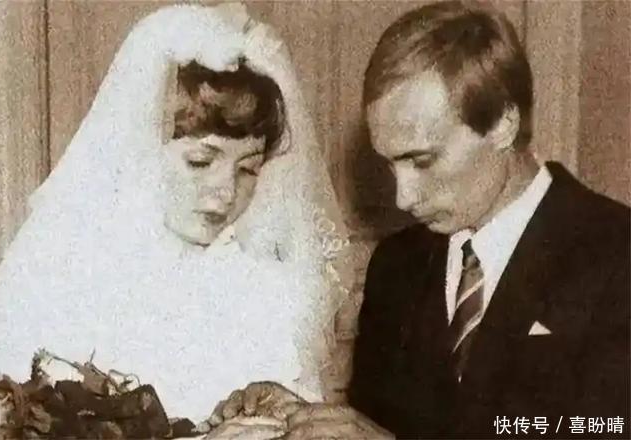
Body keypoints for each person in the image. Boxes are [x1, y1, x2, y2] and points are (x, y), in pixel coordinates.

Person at [211, 1, 629, 439]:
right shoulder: (397, 266)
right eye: (390, 164)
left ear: (503, 124)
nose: (403, 196)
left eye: (422, 161)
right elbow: (378, 426)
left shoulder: (616, 258)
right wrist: (305, 420)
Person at [0, 4, 351, 436]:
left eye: (248, 169)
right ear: (141, 152)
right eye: (200, 162)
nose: (225, 192)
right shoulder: (62, 272)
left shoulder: (269, 291)